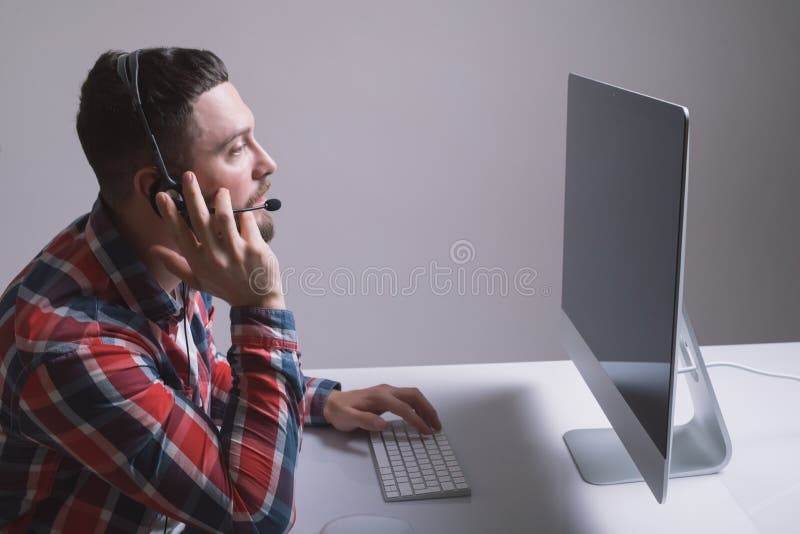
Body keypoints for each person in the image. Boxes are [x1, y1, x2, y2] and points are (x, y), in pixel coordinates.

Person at [0, 47, 441, 533]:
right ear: (161, 192)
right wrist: (261, 302)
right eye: (236, 148)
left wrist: (318, 402)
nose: (268, 163)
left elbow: (199, 382)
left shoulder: (163, 252)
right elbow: (253, 516)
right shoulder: (70, 347)